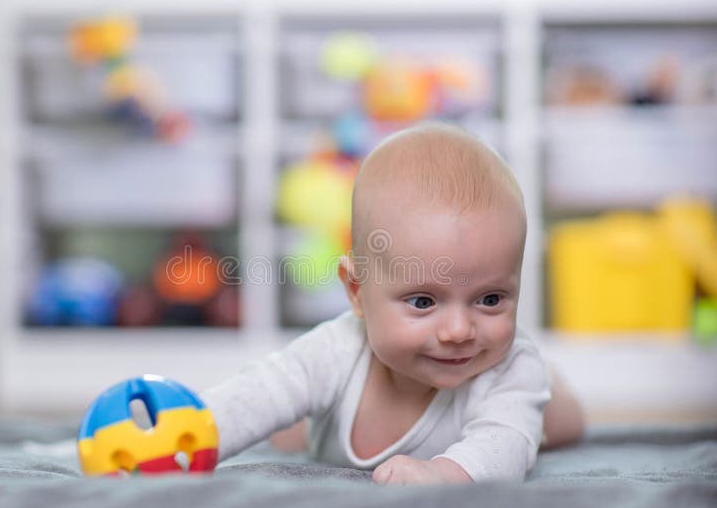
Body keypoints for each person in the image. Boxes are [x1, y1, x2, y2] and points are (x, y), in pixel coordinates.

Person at [202, 122, 585, 485]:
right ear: (356, 291)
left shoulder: (504, 368)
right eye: (423, 301)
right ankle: (312, 421)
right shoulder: (336, 349)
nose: (458, 331)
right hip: (330, 403)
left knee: (556, 421)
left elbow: (504, 448)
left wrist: (444, 474)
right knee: (286, 421)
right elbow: (260, 390)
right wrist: (192, 428)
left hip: (528, 404)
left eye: (489, 299)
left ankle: (549, 387)